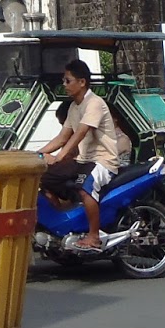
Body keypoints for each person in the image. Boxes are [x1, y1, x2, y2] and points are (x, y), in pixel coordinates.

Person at [37, 59, 130, 250]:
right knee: (45, 178)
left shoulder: (94, 103)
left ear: (82, 82)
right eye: (64, 80)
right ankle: (65, 225)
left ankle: (94, 236)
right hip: (83, 160)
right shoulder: (74, 107)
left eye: (68, 80)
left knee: (85, 187)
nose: (64, 85)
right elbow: (62, 137)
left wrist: (59, 157)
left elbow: (80, 133)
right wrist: (36, 154)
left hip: (103, 161)